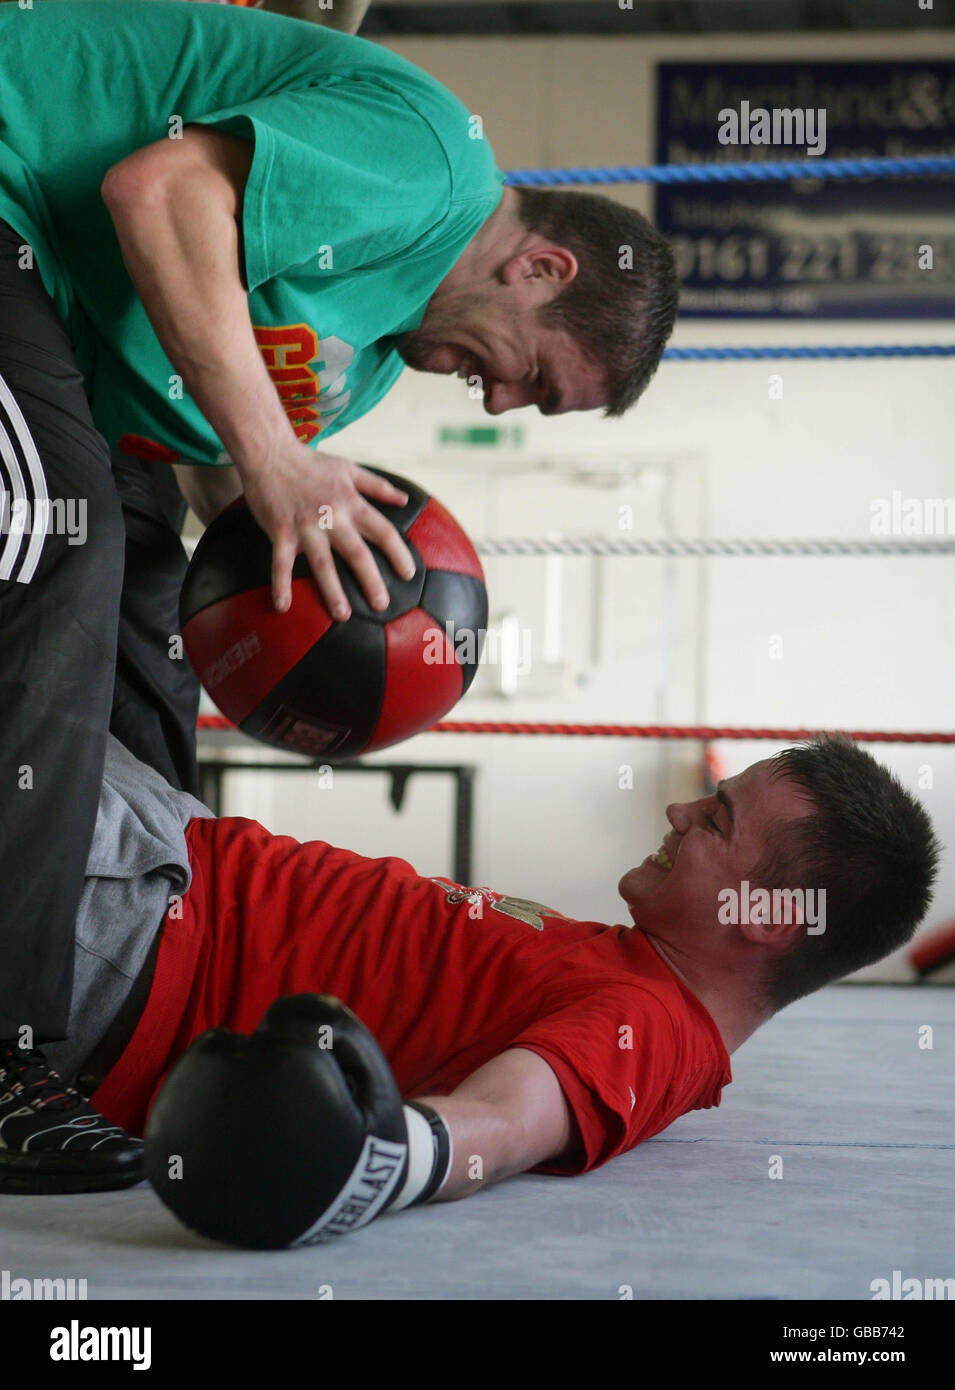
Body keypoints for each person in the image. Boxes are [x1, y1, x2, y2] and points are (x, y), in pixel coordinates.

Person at [0, 0, 679, 1185]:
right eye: (537, 380)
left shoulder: (360, 364)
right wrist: (271, 462)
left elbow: (208, 444)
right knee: (62, 536)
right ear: (541, 265)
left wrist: (275, 565)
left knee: (148, 610)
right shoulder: (432, 163)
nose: (501, 406)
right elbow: (159, 194)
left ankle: (105, 1010)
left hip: (58, 324)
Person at [0, 730, 937, 1207]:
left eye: (717, 821)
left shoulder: (652, 1028)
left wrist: (369, 1159)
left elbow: (504, 1120)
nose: (682, 812)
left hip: (132, 921)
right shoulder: (635, 970)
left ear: (770, 918)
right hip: (169, 856)